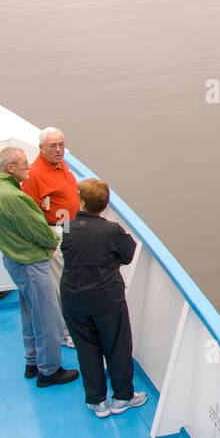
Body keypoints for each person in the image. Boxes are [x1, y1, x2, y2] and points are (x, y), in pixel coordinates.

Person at [0, 146, 78, 388]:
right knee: (47, 316)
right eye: (24, 163)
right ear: (10, 168)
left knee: (29, 312)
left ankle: (32, 361)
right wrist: (53, 242)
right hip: (31, 262)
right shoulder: (15, 197)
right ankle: (49, 370)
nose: (29, 167)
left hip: (14, 260)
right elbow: (39, 229)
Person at [60, 177, 146, 418]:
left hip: (73, 299)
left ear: (81, 201)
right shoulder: (111, 230)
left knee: (86, 349)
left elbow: (66, 249)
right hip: (107, 300)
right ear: (105, 204)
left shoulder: (67, 226)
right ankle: (122, 397)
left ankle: (97, 401)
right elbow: (128, 254)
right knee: (117, 347)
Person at [21, 126, 78, 349]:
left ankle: (74, 324)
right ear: (41, 148)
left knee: (71, 280)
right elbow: (29, 210)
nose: (58, 150)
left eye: (61, 145)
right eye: (53, 146)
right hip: (55, 234)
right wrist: (47, 239)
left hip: (70, 230)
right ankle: (65, 332)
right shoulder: (35, 174)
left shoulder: (59, 164)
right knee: (60, 284)